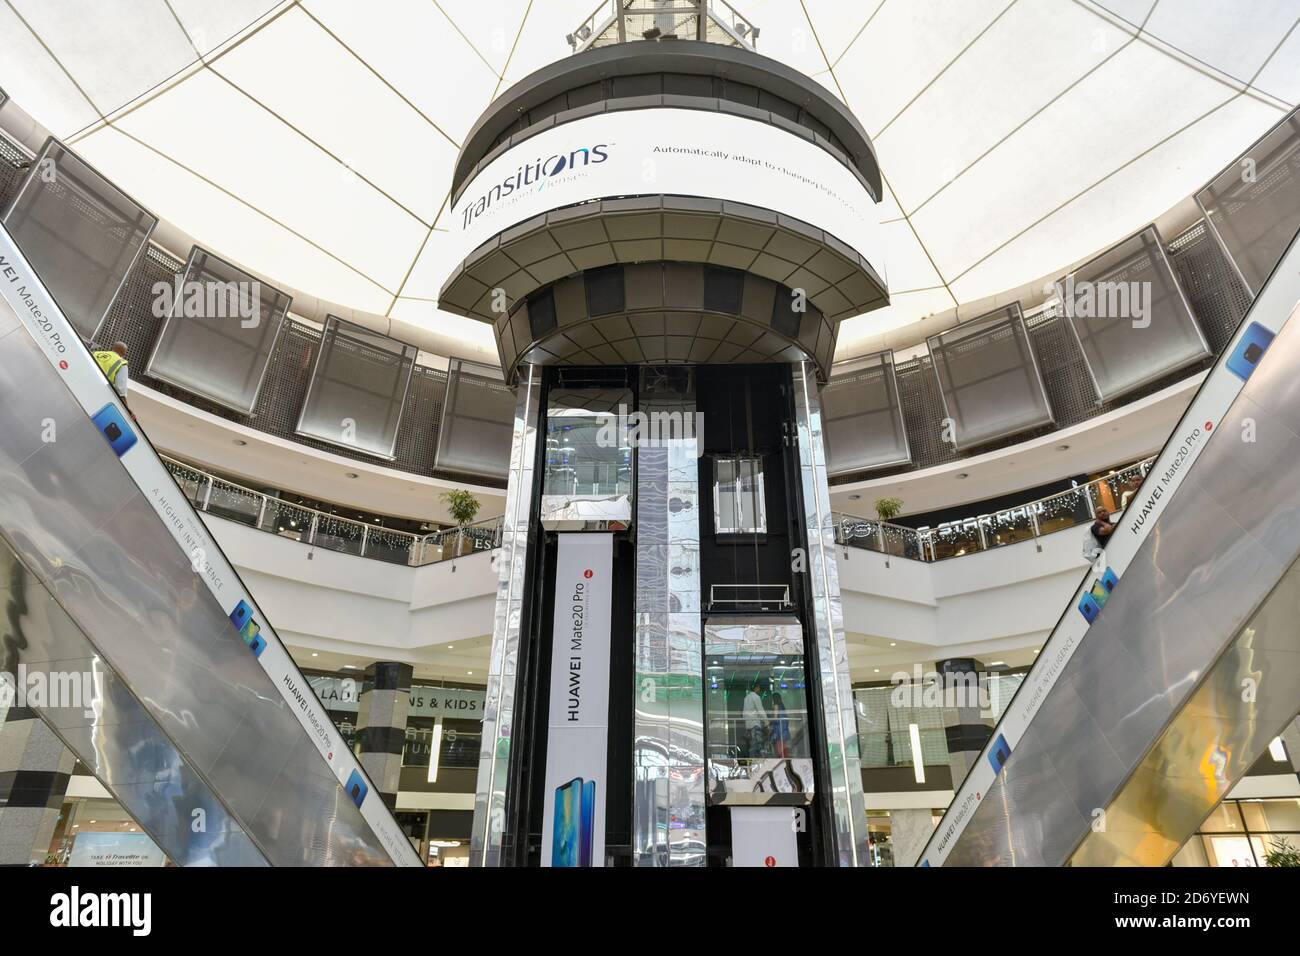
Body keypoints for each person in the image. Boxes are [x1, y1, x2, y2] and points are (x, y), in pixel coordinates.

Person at [741, 678, 768, 759]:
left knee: (751, 744)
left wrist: (746, 722)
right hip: (755, 724)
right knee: (756, 744)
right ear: (756, 688)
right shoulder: (756, 697)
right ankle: (756, 760)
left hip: (748, 725)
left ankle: (752, 759)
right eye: (759, 688)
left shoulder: (746, 698)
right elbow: (760, 710)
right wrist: (766, 721)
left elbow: (744, 712)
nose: (760, 690)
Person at [770, 692, 791, 758]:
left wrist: (770, 722)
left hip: (778, 728)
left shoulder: (776, 705)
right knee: (783, 745)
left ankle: (782, 758)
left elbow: (775, 717)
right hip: (784, 728)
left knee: (779, 744)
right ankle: (785, 758)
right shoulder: (782, 706)